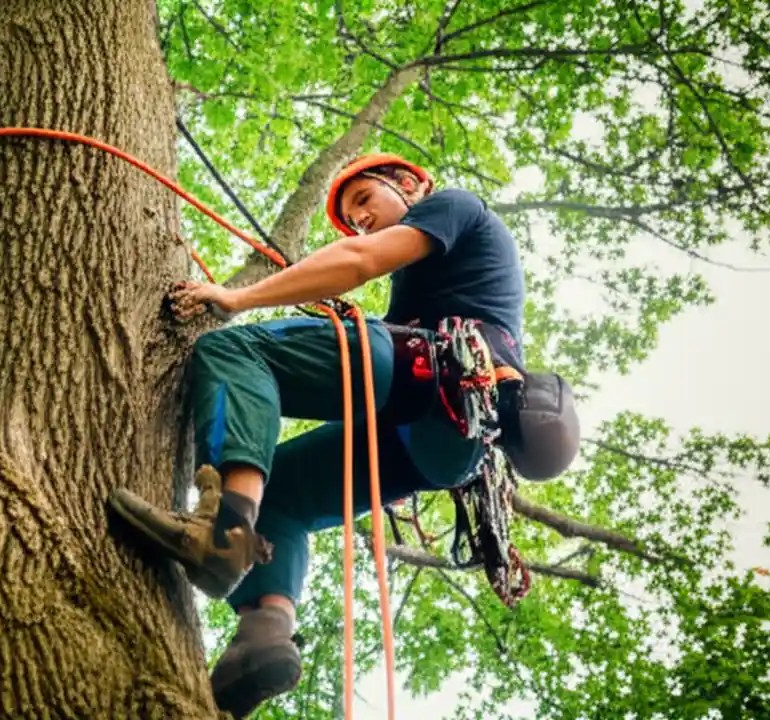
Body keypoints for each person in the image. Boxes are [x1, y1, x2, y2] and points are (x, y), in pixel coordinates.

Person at [108, 153, 581, 717]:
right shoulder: (431, 277)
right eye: (351, 216)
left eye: (363, 201)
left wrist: (235, 298)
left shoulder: (455, 206)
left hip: (436, 376)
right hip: (444, 448)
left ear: (407, 184)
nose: (358, 221)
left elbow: (359, 261)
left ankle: (223, 529)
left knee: (234, 348)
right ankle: (264, 638)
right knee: (280, 494)